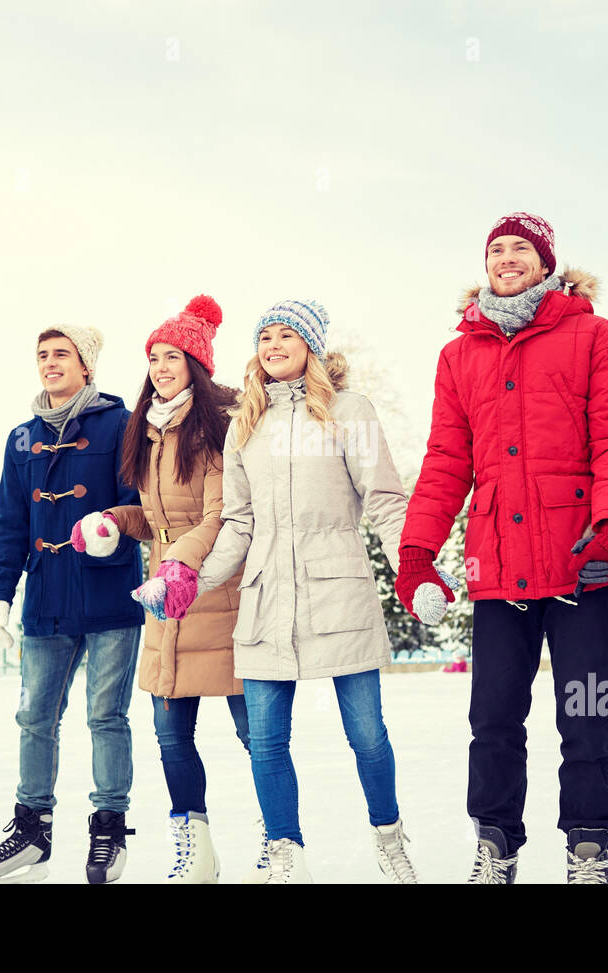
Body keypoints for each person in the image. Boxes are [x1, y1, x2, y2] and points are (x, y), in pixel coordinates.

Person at [397, 212, 608, 884]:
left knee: (587, 710)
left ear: (546, 264)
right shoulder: (459, 354)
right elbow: (446, 459)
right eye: (496, 249)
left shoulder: (593, 334)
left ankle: (588, 845)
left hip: (582, 561)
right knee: (494, 717)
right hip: (498, 568)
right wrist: (418, 549)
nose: (507, 258)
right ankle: (496, 842)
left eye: (521, 249)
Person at [159, 299, 442, 883]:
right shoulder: (246, 423)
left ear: (310, 345)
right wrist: (198, 579)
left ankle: (388, 836)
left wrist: (415, 568)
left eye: (287, 335)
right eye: (265, 336)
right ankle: (286, 850)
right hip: (265, 599)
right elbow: (238, 523)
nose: (274, 345)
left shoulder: (349, 411)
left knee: (367, 735)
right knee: (266, 741)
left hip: (337, 590)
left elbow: (386, 501)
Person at [73, 295, 253, 884]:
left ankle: (273, 838)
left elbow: (220, 514)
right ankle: (195, 849)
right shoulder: (147, 432)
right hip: (166, 606)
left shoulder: (218, 427)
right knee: (171, 737)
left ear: (195, 363)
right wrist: (116, 523)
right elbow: (161, 518)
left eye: (171, 355)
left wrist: (176, 561)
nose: (159, 366)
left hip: (218, 598)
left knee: (258, 736)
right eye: (152, 356)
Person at [0, 324, 144, 884]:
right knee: (34, 717)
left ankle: (109, 829)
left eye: (61, 354)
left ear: (86, 366)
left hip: (108, 593)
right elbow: (10, 523)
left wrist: (112, 527)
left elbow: (140, 504)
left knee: (105, 716)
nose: (50, 363)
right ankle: (31, 832)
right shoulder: (21, 439)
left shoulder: (121, 426)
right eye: (43, 355)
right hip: (45, 597)